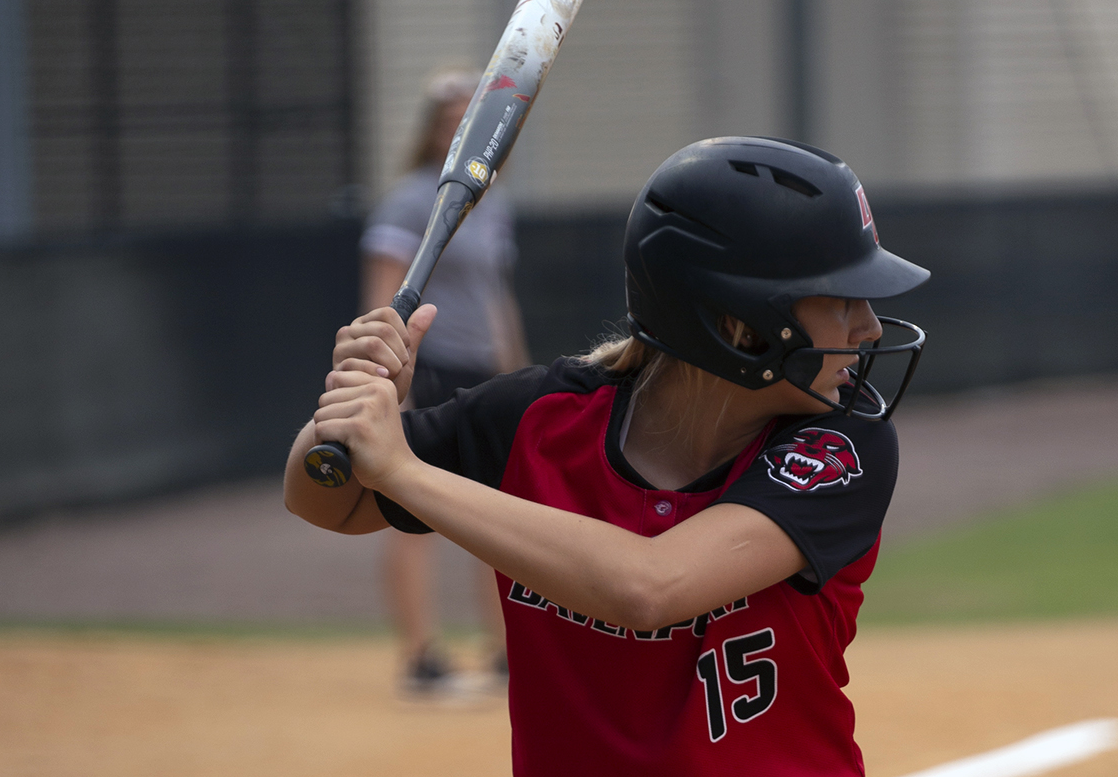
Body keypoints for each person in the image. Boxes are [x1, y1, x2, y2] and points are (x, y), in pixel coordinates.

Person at [285, 136, 929, 774]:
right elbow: (329, 501)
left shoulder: (841, 447)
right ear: (742, 326)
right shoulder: (539, 420)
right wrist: (349, 407)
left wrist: (401, 469)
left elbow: (648, 587)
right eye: (843, 299)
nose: (869, 327)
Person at [359, 69, 529, 698]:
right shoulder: (409, 199)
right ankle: (419, 654)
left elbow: (496, 296)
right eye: (451, 119)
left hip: (483, 368)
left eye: (474, 118)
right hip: (426, 364)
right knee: (410, 507)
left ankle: (507, 650)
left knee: (494, 513)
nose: (464, 129)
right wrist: (384, 377)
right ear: (432, 132)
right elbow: (381, 292)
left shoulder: (495, 201)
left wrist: (516, 374)